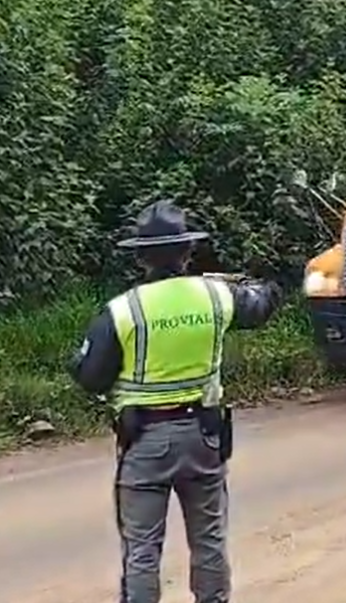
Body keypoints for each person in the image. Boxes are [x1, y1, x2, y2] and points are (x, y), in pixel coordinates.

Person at [69, 199, 285, 603]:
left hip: (144, 440)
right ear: (187, 252)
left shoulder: (123, 311)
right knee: (209, 540)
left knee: (143, 550)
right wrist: (268, 283)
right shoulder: (215, 296)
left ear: (140, 259)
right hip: (204, 437)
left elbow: (89, 375)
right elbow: (260, 305)